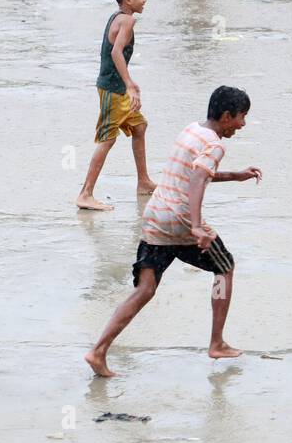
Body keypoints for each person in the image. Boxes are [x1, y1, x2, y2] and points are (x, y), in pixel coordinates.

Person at [85, 86, 262, 377]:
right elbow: (196, 182)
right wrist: (195, 225)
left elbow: (192, 172)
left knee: (145, 289)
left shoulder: (192, 130)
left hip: (155, 215)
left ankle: (98, 351)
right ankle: (216, 342)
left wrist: (234, 175)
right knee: (225, 268)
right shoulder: (216, 145)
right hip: (180, 221)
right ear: (227, 115)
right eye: (242, 117)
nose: (243, 124)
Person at [76, 0, 157, 211]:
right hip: (113, 90)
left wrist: (128, 85)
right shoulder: (127, 22)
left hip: (115, 88)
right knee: (107, 139)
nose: (145, 0)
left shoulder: (119, 17)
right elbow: (116, 53)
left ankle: (143, 181)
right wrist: (130, 84)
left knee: (139, 127)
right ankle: (85, 194)